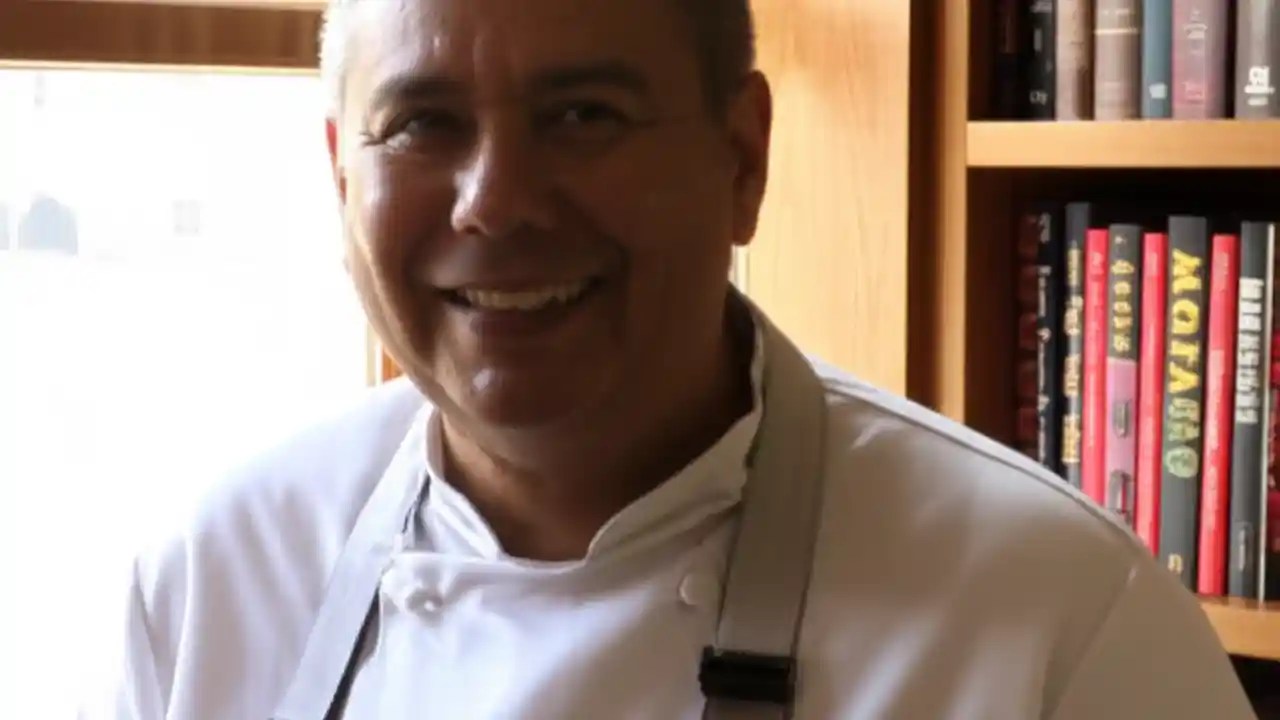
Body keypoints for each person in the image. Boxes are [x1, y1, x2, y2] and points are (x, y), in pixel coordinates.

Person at [81, 0, 1256, 718]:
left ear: (741, 157)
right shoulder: (212, 580)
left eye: (582, 114)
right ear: (342, 172)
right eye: (422, 122)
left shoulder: (1053, 620)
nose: (495, 205)